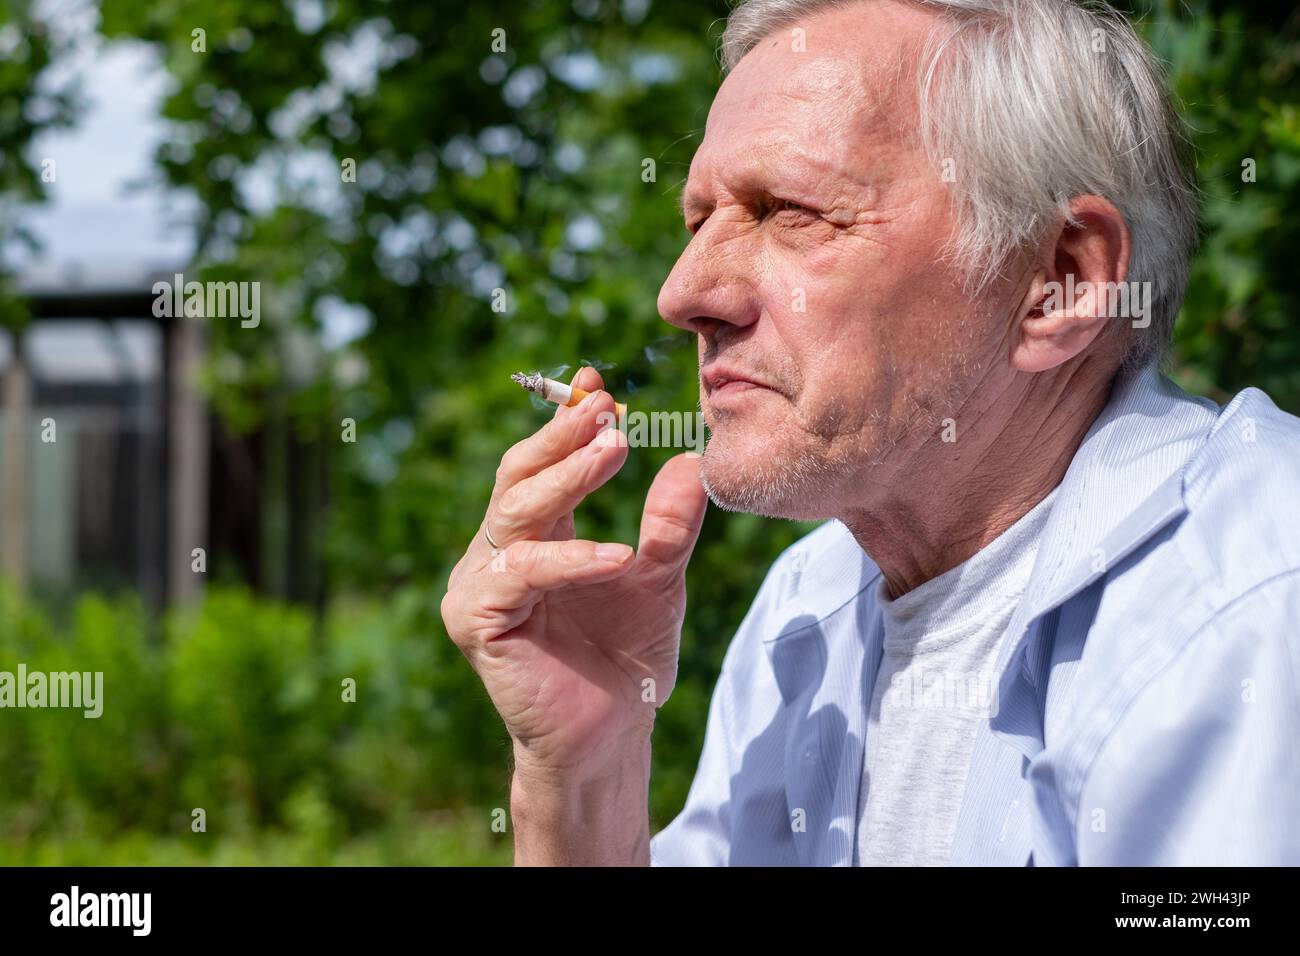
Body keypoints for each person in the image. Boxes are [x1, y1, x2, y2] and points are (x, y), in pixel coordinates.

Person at [439, 0, 1300, 865]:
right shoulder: (805, 608)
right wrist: (584, 773)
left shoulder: (1255, 604)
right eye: (699, 221)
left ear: (1059, 282)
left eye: (790, 211)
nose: (683, 293)